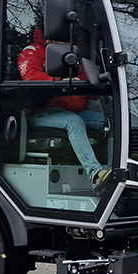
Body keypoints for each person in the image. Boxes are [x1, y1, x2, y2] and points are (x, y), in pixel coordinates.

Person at [17, 28, 110, 185]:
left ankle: (118, 169)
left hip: (75, 111)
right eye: (65, 38)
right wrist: (61, 79)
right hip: (40, 112)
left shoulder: (72, 58)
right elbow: (30, 76)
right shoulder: (32, 51)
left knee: (110, 121)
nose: (69, 42)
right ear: (52, 38)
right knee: (73, 121)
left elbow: (92, 94)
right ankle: (96, 173)